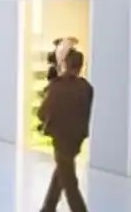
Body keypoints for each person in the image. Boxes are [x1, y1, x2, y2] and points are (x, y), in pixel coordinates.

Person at [38, 49, 93, 212]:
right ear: (81, 66)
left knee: (69, 182)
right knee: (63, 171)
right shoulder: (86, 88)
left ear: (65, 64)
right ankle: (48, 208)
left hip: (60, 137)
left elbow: (42, 112)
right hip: (76, 138)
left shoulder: (56, 87)